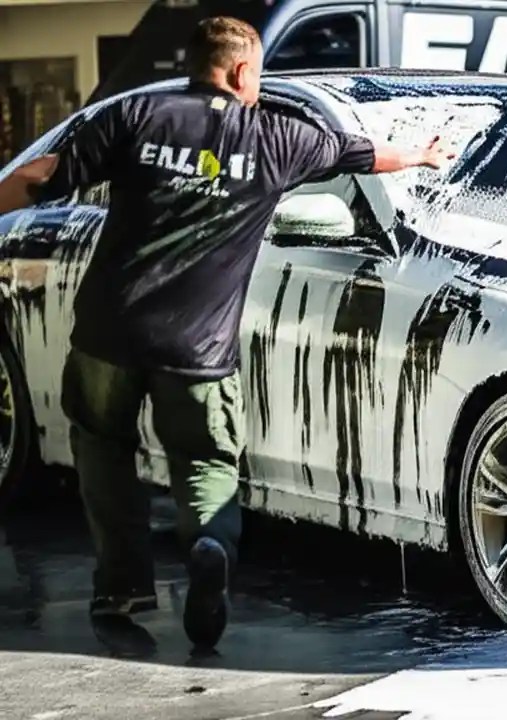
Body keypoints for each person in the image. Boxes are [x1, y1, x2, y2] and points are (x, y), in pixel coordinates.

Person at [0, 16, 455, 654]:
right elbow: (365, 155)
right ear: (243, 71)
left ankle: (121, 588)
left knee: (101, 448)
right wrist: (424, 154)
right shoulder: (279, 138)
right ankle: (212, 544)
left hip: (109, 334)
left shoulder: (136, 118)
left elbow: (41, 175)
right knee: (207, 460)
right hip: (198, 350)